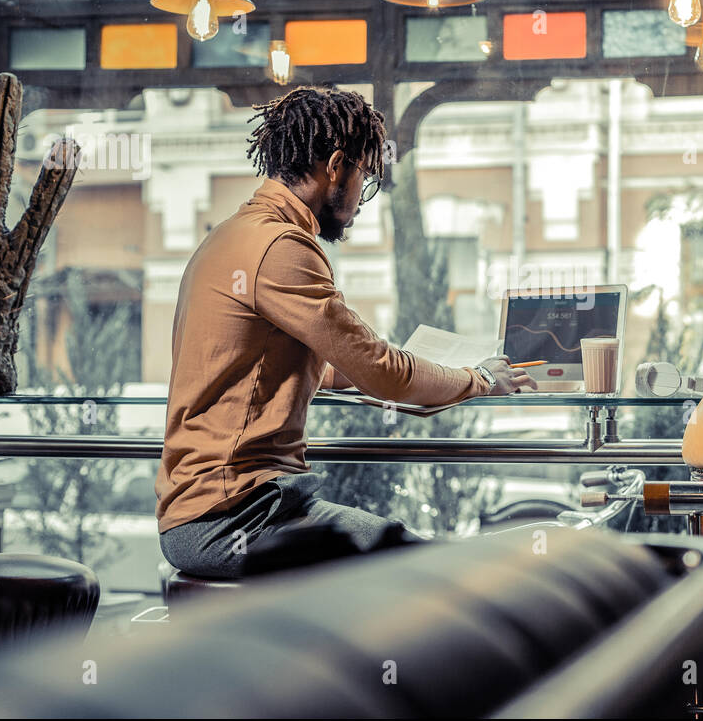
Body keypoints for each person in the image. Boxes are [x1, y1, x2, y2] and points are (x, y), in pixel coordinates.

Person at [154, 86, 536, 578]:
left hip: (209, 511)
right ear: (336, 165)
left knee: (400, 554)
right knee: (423, 569)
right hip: (234, 517)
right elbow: (382, 370)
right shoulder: (281, 247)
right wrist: (478, 379)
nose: (360, 200)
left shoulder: (229, 236)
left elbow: (267, 365)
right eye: (365, 178)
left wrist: (360, 373)